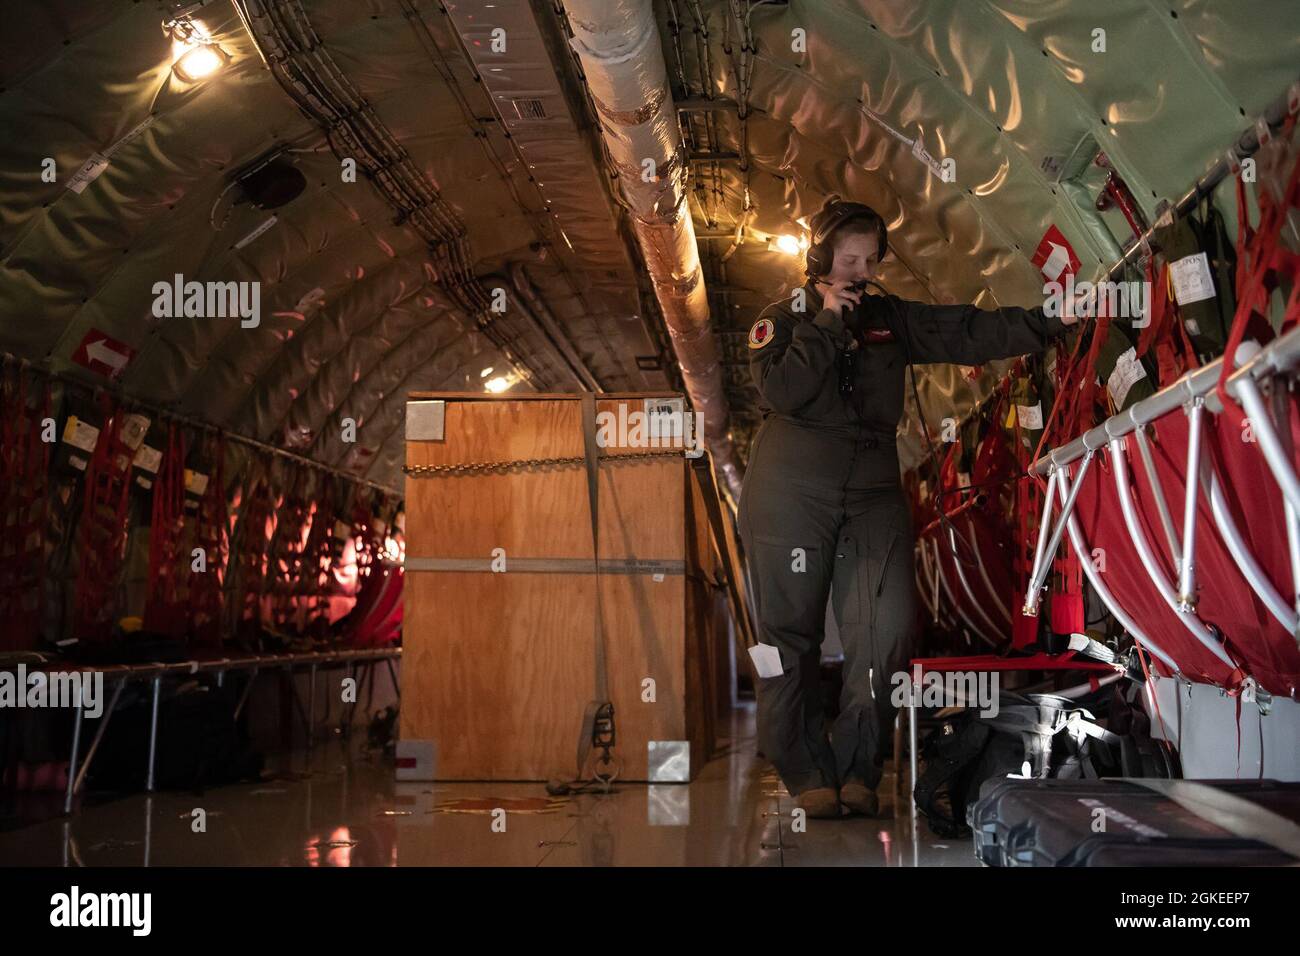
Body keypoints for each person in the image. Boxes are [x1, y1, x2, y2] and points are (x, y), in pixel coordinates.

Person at [738, 195, 1078, 818]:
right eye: (848, 258)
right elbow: (782, 390)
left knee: (886, 631)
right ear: (818, 256)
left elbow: (965, 331)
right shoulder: (781, 318)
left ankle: (858, 765)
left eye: (869, 259)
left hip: (870, 490)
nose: (860, 270)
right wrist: (825, 326)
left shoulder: (889, 316)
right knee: (786, 637)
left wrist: (1049, 320)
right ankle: (801, 765)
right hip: (790, 490)